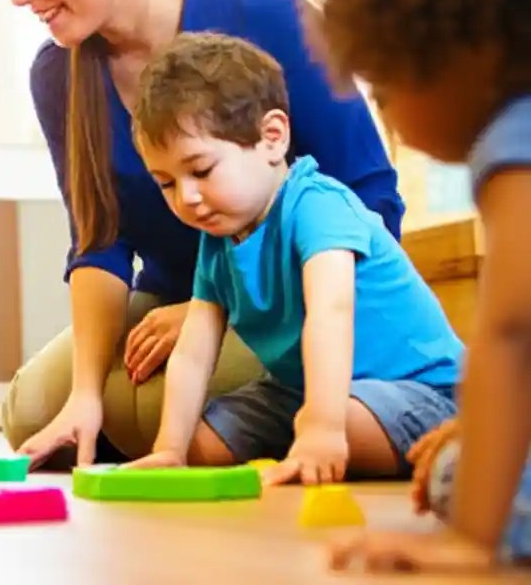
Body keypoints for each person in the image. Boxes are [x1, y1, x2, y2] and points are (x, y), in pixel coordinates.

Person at [0, 0, 405, 467]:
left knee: (161, 412)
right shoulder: (57, 74)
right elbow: (98, 243)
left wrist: (220, 312)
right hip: (176, 296)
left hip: (298, 293)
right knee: (36, 411)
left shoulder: (263, 8)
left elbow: (372, 199)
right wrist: (83, 396)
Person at [312, 0, 531, 573]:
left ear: (458, 47)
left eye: (384, 85)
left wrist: (470, 535)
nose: (388, 117)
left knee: (458, 480)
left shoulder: (514, 138)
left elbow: (513, 330)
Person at [124, 32, 462, 484]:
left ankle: (340, 438)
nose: (187, 197)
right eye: (166, 183)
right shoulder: (218, 239)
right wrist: (170, 447)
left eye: (202, 170)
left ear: (272, 137)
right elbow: (193, 350)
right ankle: (312, 435)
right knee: (201, 448)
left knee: (344, 424)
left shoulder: (317, 204)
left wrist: (323, 427)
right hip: (300, 392)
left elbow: (331, 311)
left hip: (422, 392)